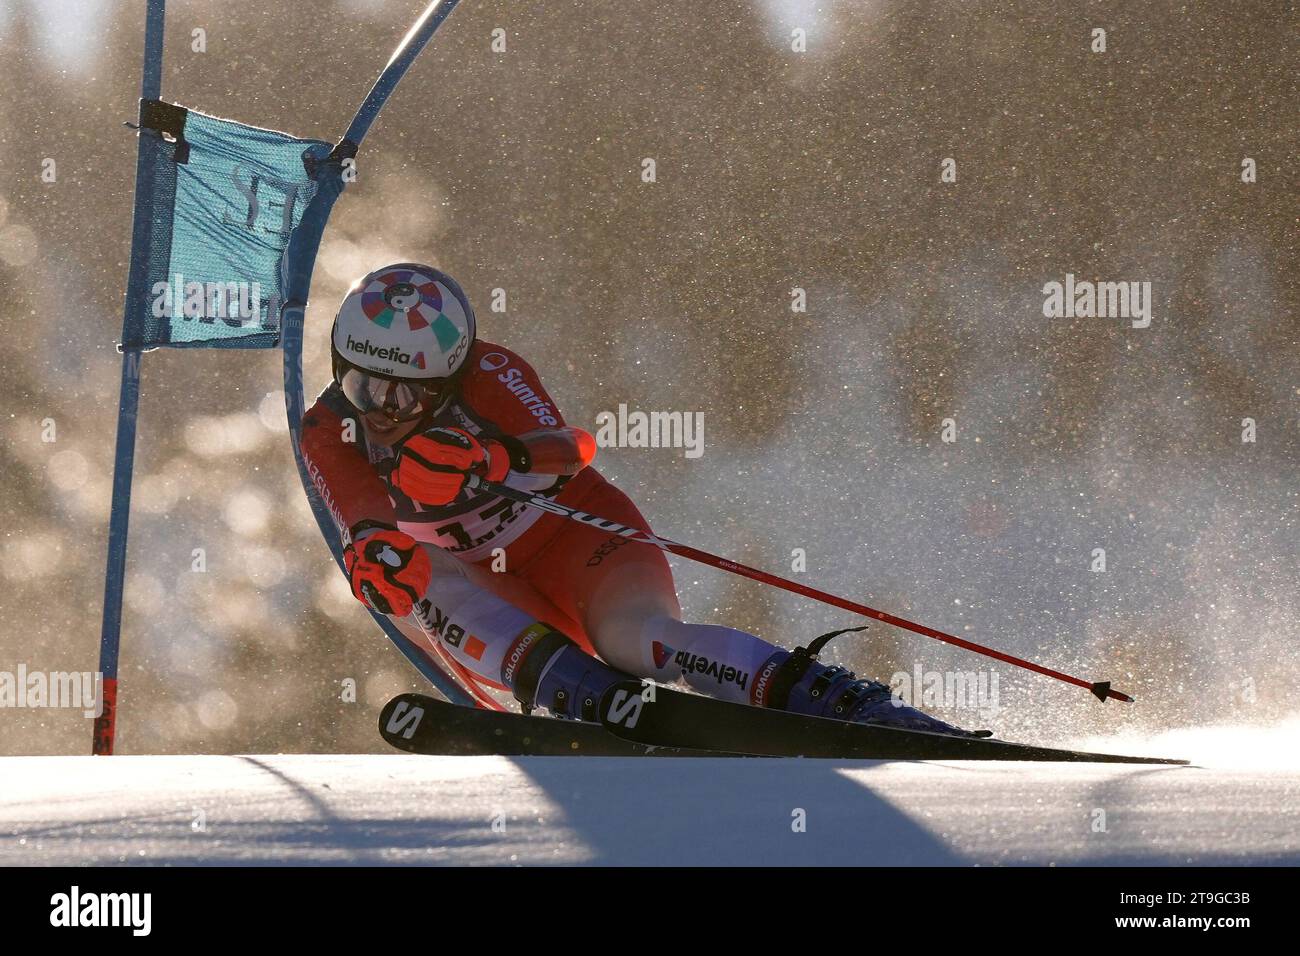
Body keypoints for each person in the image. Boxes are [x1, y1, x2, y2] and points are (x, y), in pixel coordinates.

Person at [302, 262, 985, 735]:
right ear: (342, 371)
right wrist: (376, 554)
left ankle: (838, 702)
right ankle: (580, 696)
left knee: (639, 641)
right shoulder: (327, 429)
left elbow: (571, 449)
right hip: (493, 598)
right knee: (424, 576)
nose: (389, 409)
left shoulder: (490, 372)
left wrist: (493, 456)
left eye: (411, 394)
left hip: (578, 540)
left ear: (449, 381)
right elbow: (365, 515)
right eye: (369, 389)